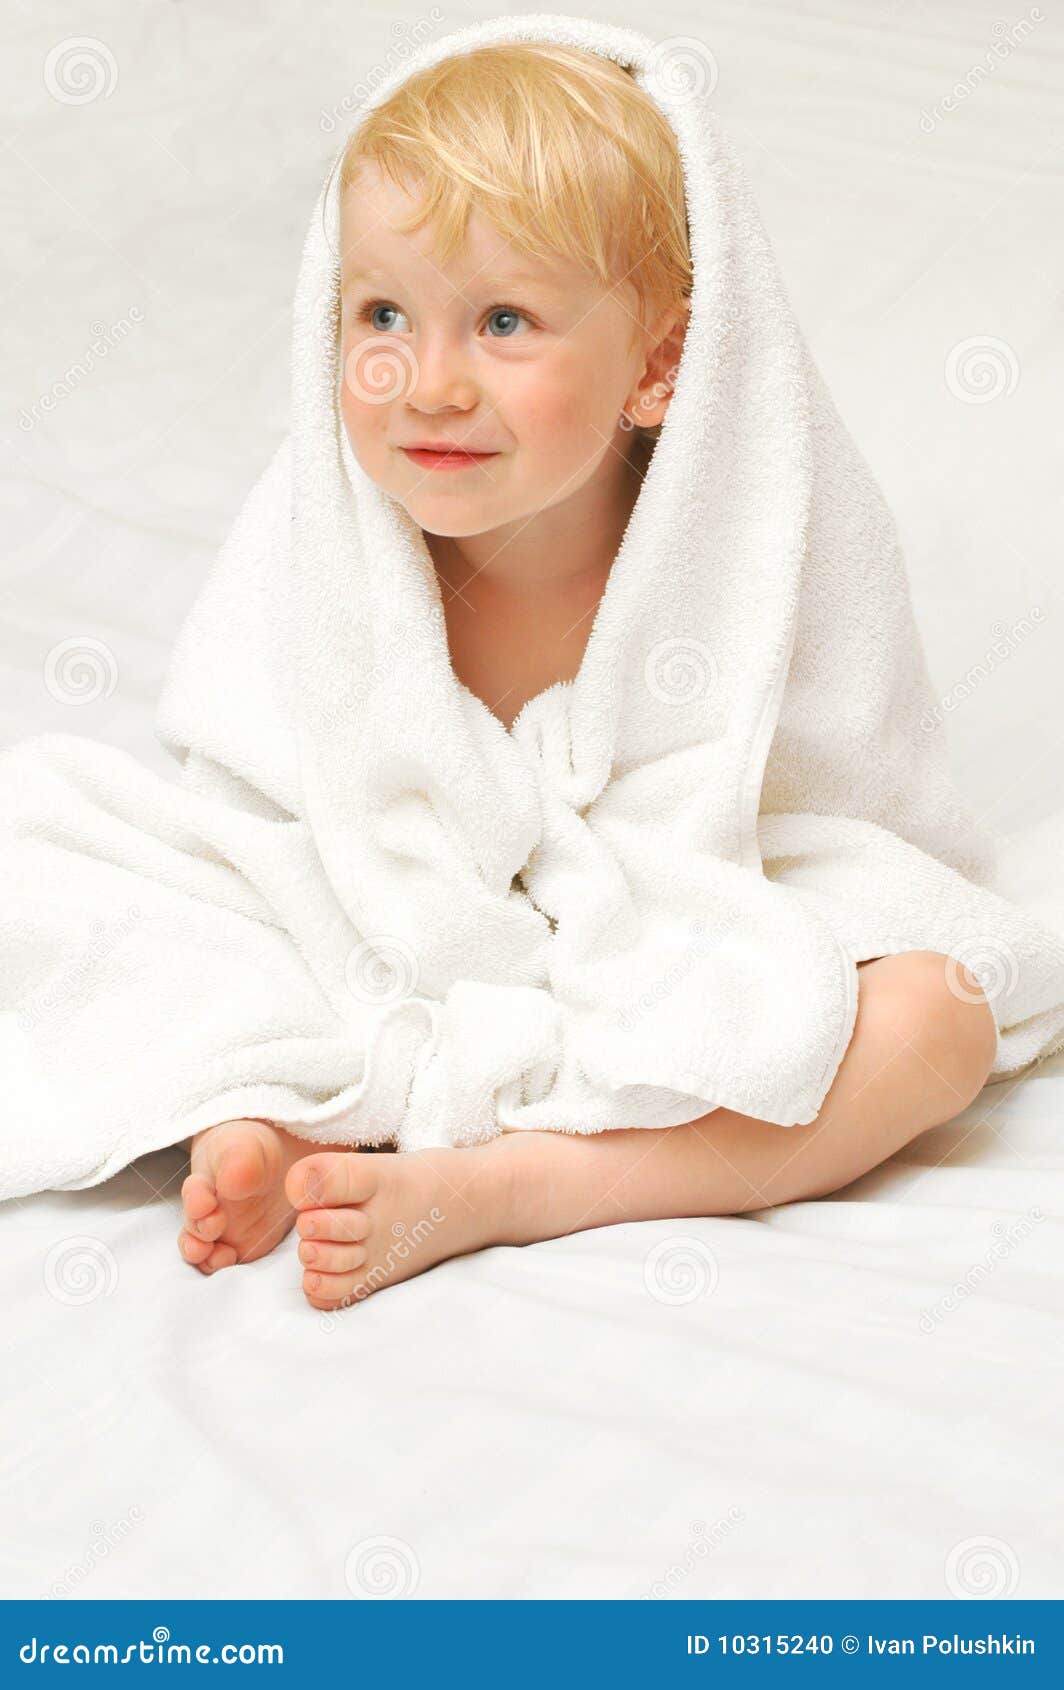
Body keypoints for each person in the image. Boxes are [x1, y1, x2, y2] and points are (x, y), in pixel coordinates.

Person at [176, 38, 998, 1310]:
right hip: (395, 932)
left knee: (941, 1010)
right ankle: (302, 1119)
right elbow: (259, 803)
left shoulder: (746, 545)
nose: (425, 384)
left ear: (660, 365)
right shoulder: (320, 541)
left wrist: (682, 923)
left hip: (674, 923)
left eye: (503, 321)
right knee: (149, 917)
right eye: (381, 312)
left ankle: (528, 1182)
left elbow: (840, 804)